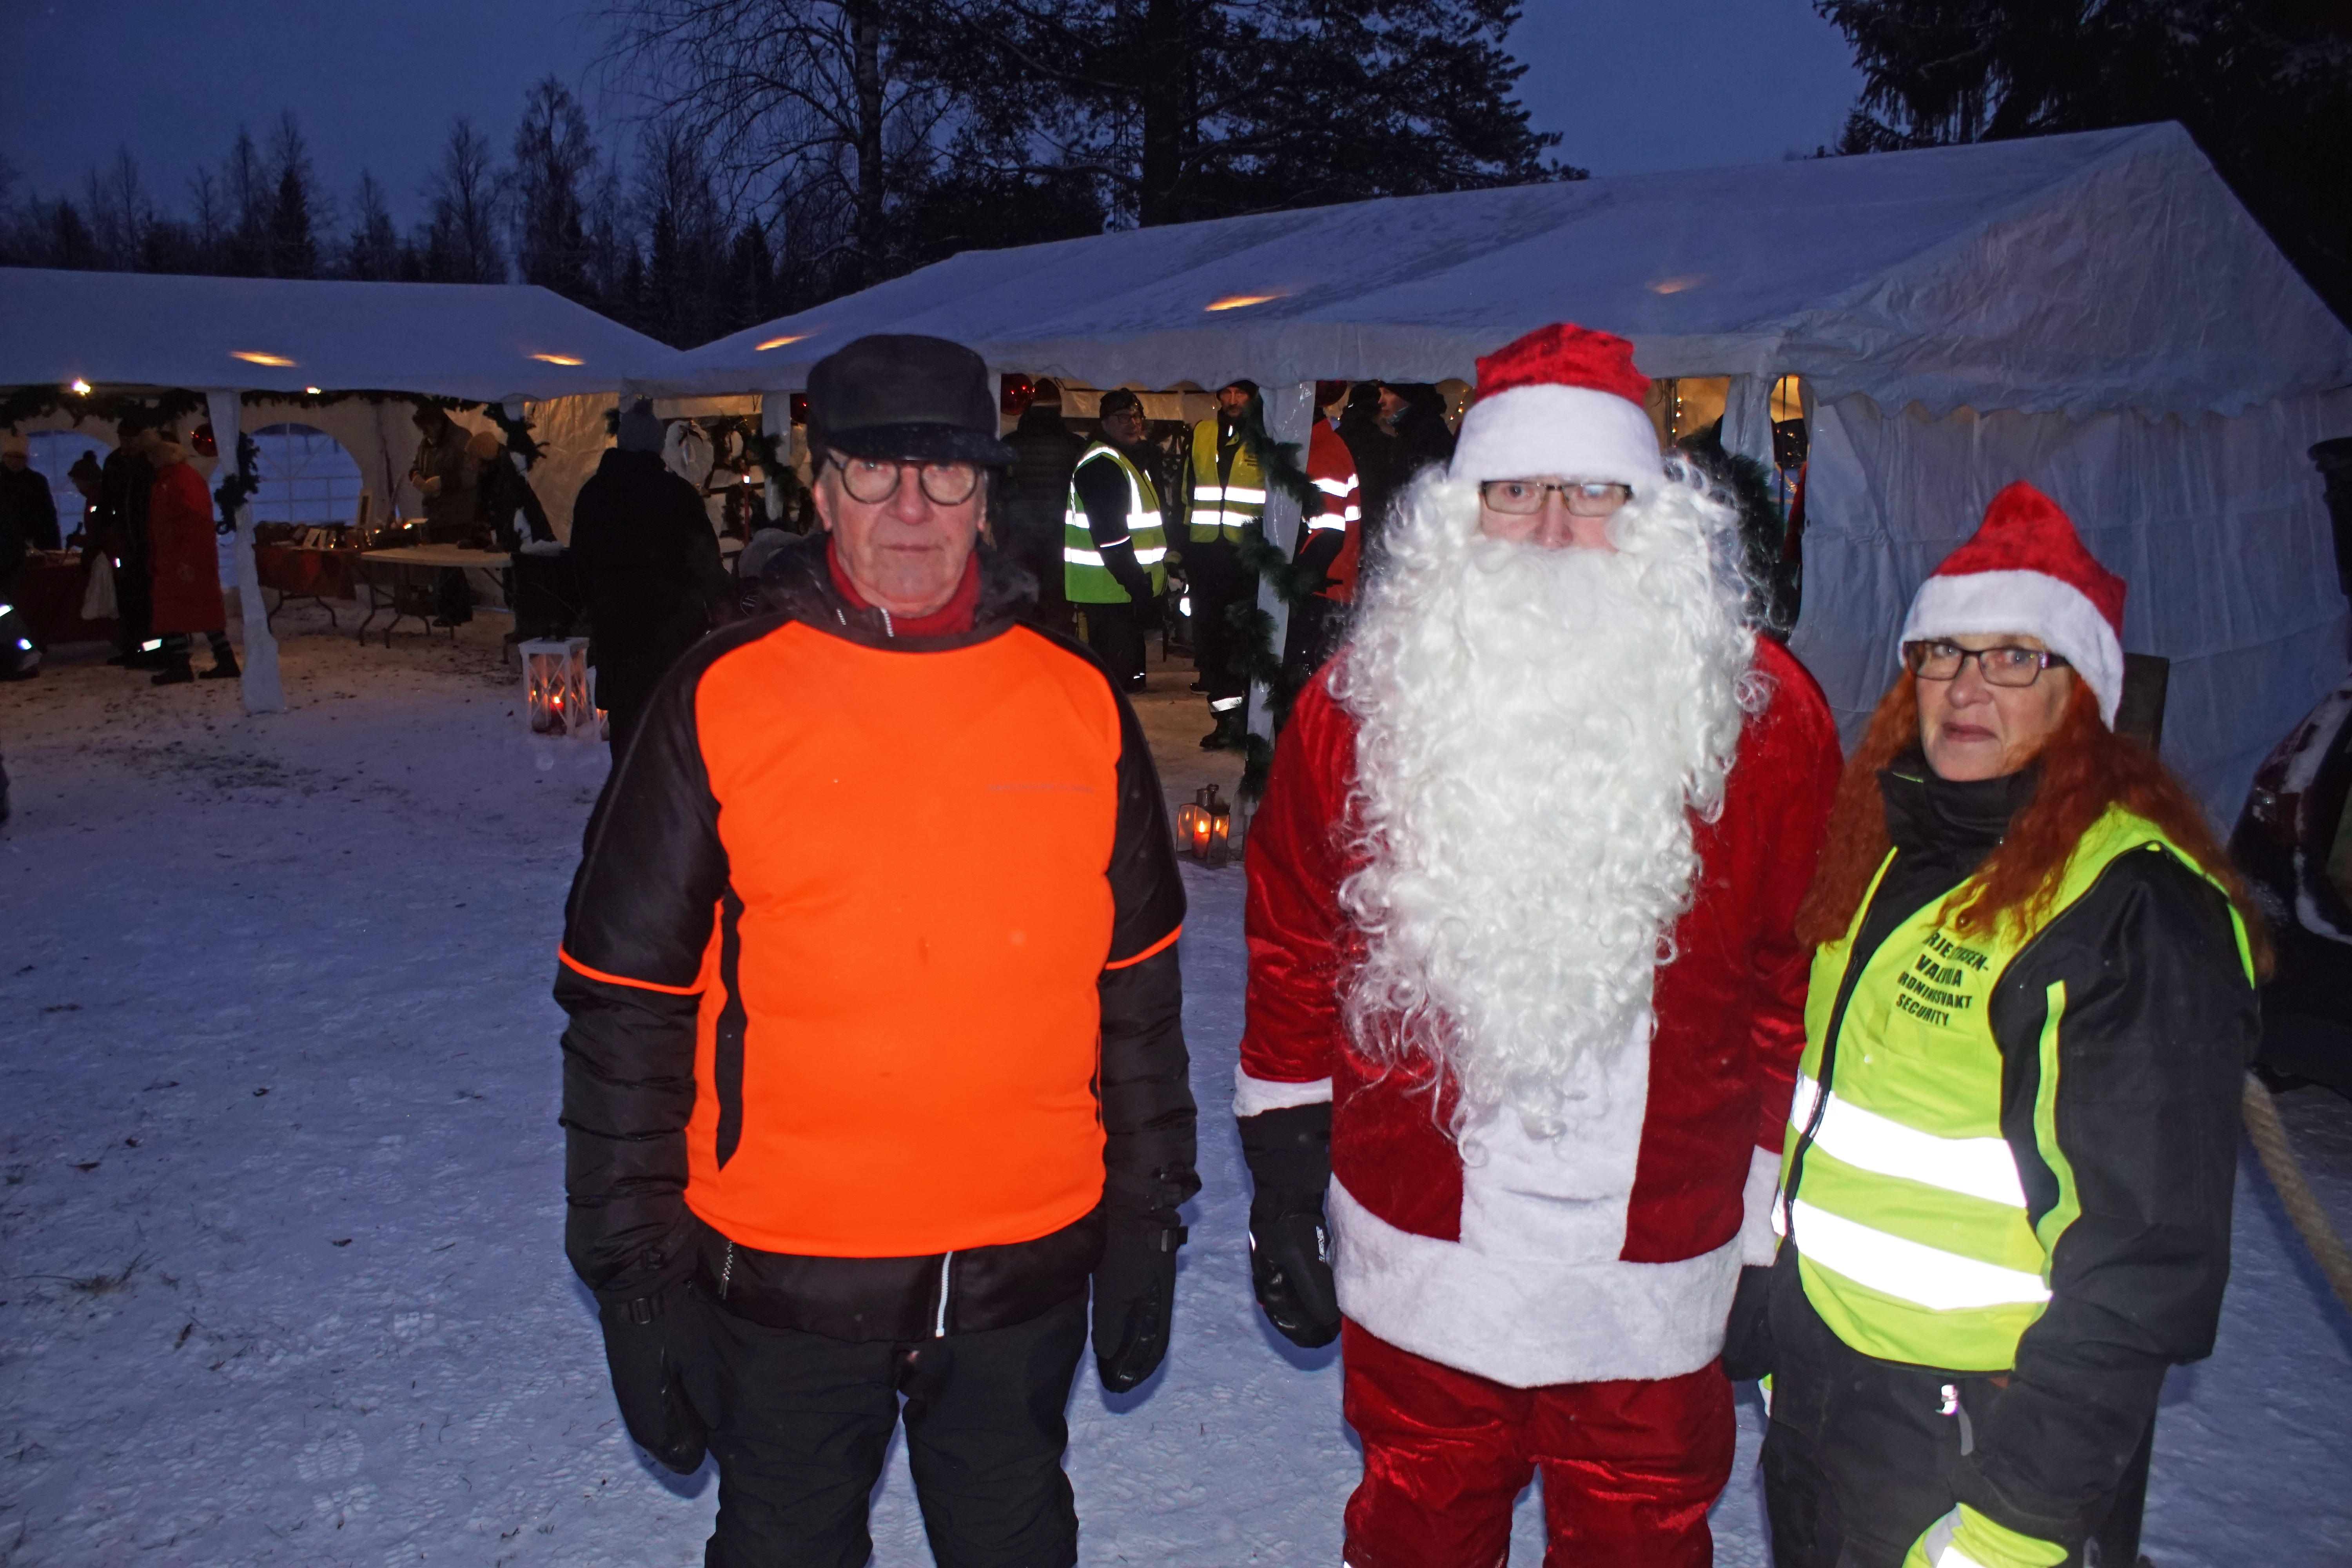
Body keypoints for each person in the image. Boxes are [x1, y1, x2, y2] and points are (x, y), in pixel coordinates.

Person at [556, 332, 1196, 1568]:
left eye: (944, 474)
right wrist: (634, 1275)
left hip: (1021, 1271)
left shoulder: (1076, 703)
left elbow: (1138, 990)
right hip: (786, 1277)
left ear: (985, 494)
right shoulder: (721, 696)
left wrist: (1148, 1213)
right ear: (821, 487)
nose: (911, 508)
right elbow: (624, 999)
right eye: (874, 471)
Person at [1236, 323, 1842, 1568]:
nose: (1554, 527)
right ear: (1460, 515)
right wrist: (1288, 1170)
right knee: (1418, 1529)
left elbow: (1801, 979)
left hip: (1655, 1251)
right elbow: (1296, 934)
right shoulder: (1360, 706)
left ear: (1650, 514)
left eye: (1591, 491)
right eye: (1515, 490)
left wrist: (1771, 1230)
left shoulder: (1765, 718)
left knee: (1638, 1540)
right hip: (1425, 1241)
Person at [1756, 483, 2263, 1568]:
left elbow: (2138, 1269)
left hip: (1982, 1436)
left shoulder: (2129, 910)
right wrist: (1779, 1331)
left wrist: (2011, 1530)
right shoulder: (1892, 848)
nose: (1967, 685)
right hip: (1831, 1398)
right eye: (1944, 652)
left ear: (2083, 696)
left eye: (2016, 658)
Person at [567, 399, 732, 755]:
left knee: (628, 735)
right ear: (657, 448)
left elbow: (581, 563)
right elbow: (704, 559)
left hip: (617, 634)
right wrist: (722, 603)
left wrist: (598, 608)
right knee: (672, 734)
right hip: (671, 635)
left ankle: (629, 788)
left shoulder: (593, 495)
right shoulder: (674, 495)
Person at [1063, 388, 1167, 692]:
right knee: (1112, 686)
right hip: (1111, 591)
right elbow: (1111, 539)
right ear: (1105, 422)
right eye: (1123, 418)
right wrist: (1139, 586)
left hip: (1121, 591)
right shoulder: (1103, 465)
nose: (1133, 424)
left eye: (1137, 417)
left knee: (1125, 684)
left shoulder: (1125, 460)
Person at [1184, 379, 1267, 750]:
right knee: (1210, 643)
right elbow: (1187, 494)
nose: (1233, 400)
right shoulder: (1202, 433)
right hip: (1205, 554)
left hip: (1247, 557)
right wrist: (1181, 551)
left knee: (1245, 641)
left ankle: (1254, 721)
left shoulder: (1268, 436)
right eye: (1227, 393)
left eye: (1241, 393)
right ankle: (1226, 721)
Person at [1279, 381, 1362, 690]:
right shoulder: (1315, 449)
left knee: (1305, 687)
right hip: (1323, 591)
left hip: (1321, 593)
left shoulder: (1322, 454)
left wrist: (1290, 589)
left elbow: (1327, 536)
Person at [138, 428, 237, 686]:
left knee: (178, 610)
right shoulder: (174, 478)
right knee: (197, 608)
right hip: (179, 557)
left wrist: (185, 558)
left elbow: (194, 521)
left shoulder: (177, 480)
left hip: (182, 558)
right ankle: (221, 659)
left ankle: (182, 664)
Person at [1339, 380, 1454, 578]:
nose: (1381, 402)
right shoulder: (1411, 434)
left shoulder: (1428, 437)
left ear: (1408, 395)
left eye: (1388, 394)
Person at [1004, 380, 1087, 621]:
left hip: (1018, 538)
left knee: (1021, 609)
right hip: (1061, 539)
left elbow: (998, 491)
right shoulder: (1075, 445)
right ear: (1059, 408)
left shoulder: (1010, 444)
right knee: (1058, 609)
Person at [94, 414, 156, 666]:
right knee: (128, 597)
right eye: (123, 438)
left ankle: (152, 650)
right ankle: (132, 647)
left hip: (147, 540)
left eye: (131, 439)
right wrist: (102, 532)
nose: (126, 444)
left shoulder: (149, 462)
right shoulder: (114, 462)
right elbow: (106, 500)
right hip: (125, 541)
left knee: (148, 598)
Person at [468, 428, 554, 550]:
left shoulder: (508, 476)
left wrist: (507, 544)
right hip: (526, 541)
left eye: (472, 456)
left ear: (483, 457)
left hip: (532, 542)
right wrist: (478, 538)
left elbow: (512, 513)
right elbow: (482, 507)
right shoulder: (487, 475)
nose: (468, 461)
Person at [407, 404, 476, 544]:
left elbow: (473, 475)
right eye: (421, 429)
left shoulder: (462, 439)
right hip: (433, 519)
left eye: (427, 428)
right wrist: (416, 476)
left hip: (458, 520)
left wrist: (443, 482)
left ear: (438, 423)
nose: (424, 434)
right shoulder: (425, 444)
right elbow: (416, 465)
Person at [1, 440, 62, 581]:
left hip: (37, 545)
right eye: (10, 457)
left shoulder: (37, 481)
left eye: (19, 457)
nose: (14, 462)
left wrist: (54, 550)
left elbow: (49, 517)